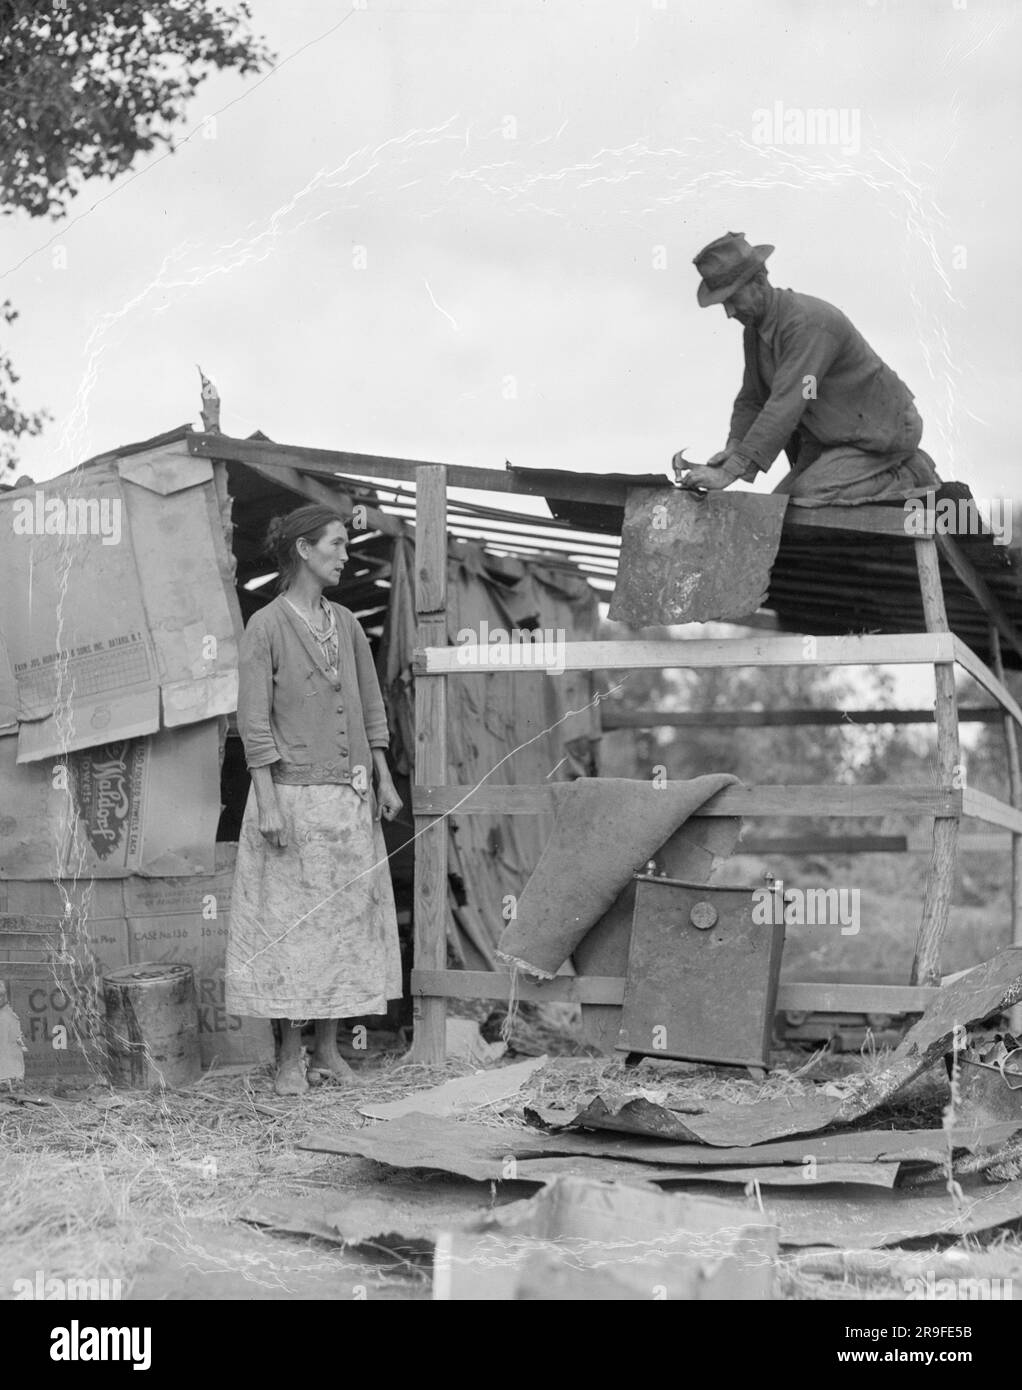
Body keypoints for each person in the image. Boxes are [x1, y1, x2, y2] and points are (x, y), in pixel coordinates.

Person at [225, 504, 404, 1096]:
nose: (344, 554)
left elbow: (370, 703)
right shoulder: (266, 627)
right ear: (304, 550)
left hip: (346, 800)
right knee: (287, 931)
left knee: (339, 930)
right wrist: (268, 802)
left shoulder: (347, 624)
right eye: (335, 543)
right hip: (289, 800)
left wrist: (382, 774)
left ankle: (328, 1050)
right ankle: (287, 1057)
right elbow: (253, 725)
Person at [674, 231, 942, 504]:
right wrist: (734, 448)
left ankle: (910, 473)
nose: (729, 312)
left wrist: (729, 474)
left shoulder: (807, 324)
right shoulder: (755, 330)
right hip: (831, 439)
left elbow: (787, 402)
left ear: (759, 280)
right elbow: (752, 400)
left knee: (806, 497)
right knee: (779, 505)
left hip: (879, 435)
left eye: (732, 298)